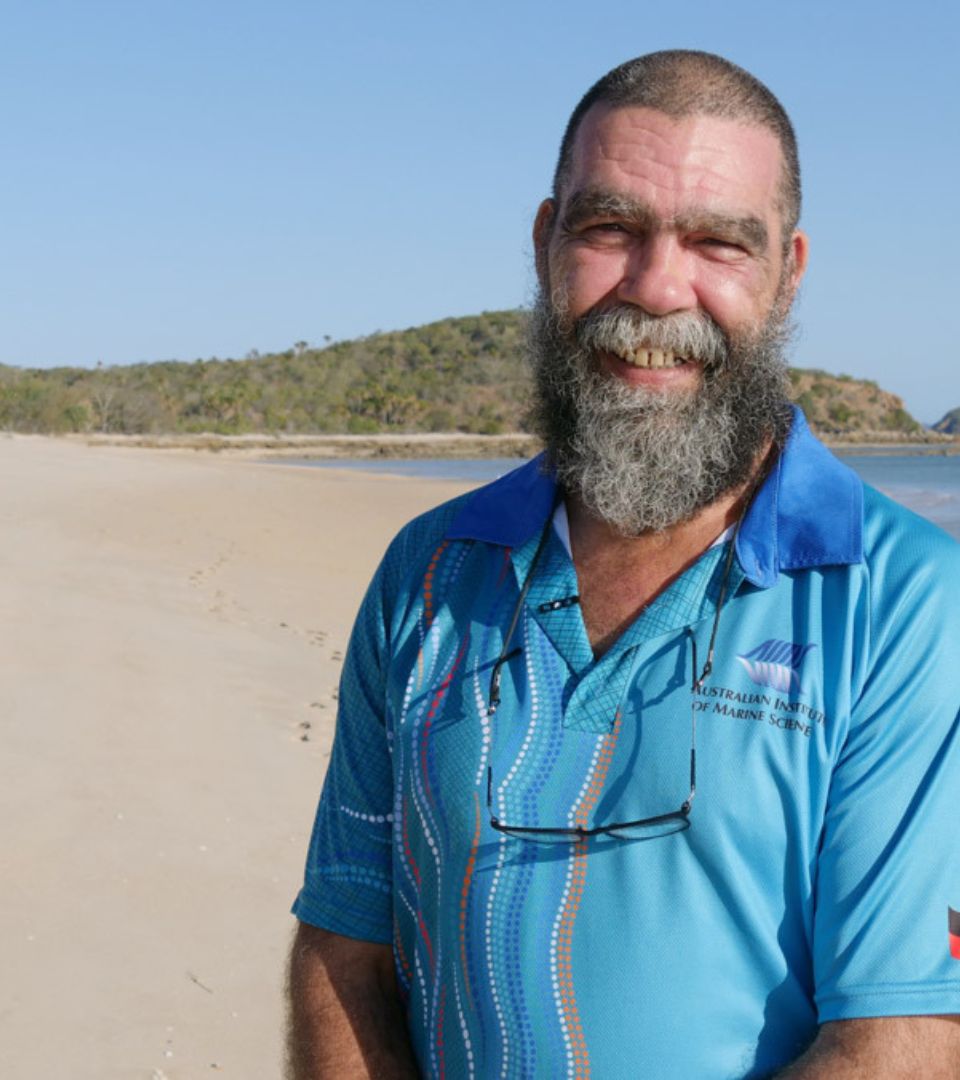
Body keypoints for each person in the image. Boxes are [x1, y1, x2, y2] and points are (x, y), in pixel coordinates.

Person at [286, 50, 960, 1078]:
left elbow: (904, 1041)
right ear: (547, 242)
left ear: (789, 271)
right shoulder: (428, 572)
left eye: (718, 242)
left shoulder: (909, 604)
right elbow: (345, 949)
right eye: (611, 229)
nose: (657, 287)